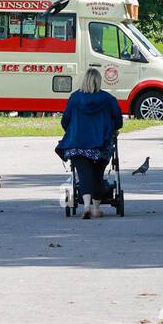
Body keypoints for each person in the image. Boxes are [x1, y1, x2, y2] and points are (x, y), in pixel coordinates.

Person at [55, 67, 123, 220]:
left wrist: (73, 130)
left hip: (77, 144)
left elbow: (65, 121)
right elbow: (118, 120)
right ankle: (97, 208)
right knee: (97, 175)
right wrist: (113, 128)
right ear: (98, 81)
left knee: (84, 174)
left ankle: (86, 206)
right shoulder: (108, 99)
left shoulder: (74, 98)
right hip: (100, 144)